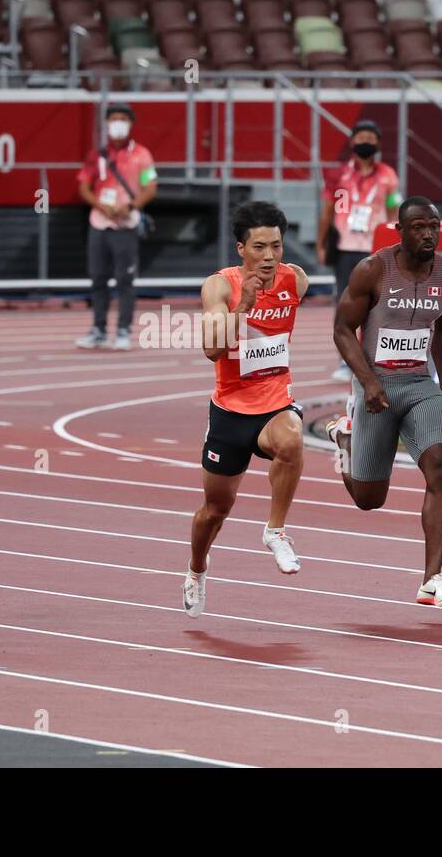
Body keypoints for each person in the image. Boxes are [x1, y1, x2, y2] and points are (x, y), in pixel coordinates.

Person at [328, 197, 442, 609]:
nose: (428, 234)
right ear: (400, 232)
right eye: (419, 227)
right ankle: (345, 439)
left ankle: (432, 579)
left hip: (420, 384)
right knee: (370, 500)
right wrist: (368, 382)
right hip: (378, 388)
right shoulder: (372, 270)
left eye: (434, 226)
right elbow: (342, 329)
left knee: (441, 466)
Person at [183, 201, 310, 617]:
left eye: (277, 245)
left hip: (275, 401)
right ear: (241, 248)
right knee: (214, 511)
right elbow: (211, 349)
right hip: (230, 412)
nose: (270, 256)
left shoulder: (297, 280)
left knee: (292, 440)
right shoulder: (219, 286)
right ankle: (197, 568)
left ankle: (275, 531)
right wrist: (244, 307)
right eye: (260, 246)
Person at [315, 119, 404, 381]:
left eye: (371, 137)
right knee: (345, 304)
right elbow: (327, 212)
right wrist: (321, 243)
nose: (366, 141)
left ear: (377, 143)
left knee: (378, 303)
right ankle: (346, 360)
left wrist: (396, 244)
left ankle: (378, 355)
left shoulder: (387, 174)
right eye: (361, 137)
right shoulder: (338, 174)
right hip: (345, 249)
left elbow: (393, 210)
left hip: (376, 249)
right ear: (352, 142)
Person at [75, 102, 158, 351]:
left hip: (126, 225)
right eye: (113, 118)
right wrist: (100, 206)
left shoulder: (142, 155)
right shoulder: (97, 155)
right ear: (107, 124)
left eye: (122, 118)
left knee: (125, 279)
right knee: (98, 278)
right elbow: (83, 187)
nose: (118, 123)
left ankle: (123, 330)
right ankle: (98, 329)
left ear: (130, 123)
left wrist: (130, 207)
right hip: (99, 224)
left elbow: (150, 187)